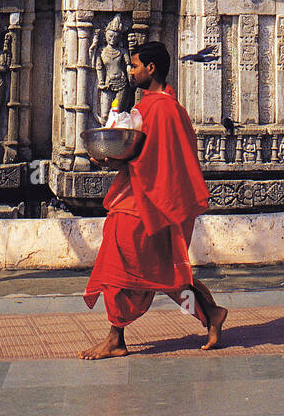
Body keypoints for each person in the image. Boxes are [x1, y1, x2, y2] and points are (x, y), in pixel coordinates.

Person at [80, 41, 228, 359]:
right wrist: (112, 157)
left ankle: (116, 337)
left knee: (122, 267)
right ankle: (210, 314)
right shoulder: (148, 105)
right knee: (163, 274)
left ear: (151, 69)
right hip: (136, 198)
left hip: (151, 204)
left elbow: (157, 161)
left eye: (134, 66)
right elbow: (141, 153)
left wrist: (117, 160)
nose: (131, 72)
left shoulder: (164, 109)